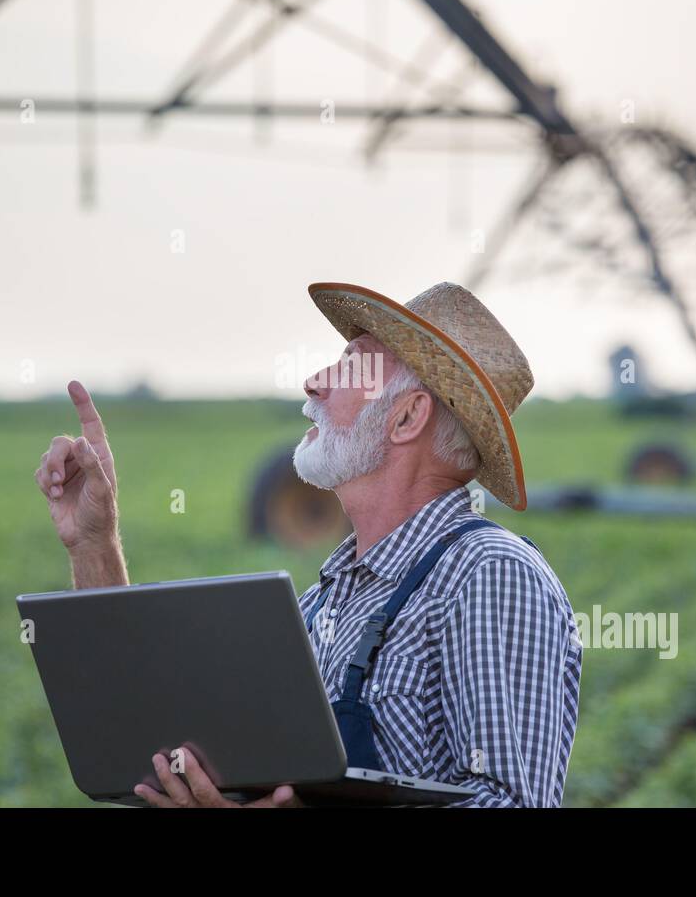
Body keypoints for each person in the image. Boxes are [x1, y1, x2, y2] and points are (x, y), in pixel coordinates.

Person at [34, 281, 582, 807]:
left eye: (351, 365)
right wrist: (93, 541)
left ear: (408, 416)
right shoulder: (327, 598)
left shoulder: (490, 574)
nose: (315, 382)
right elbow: (151, 748)